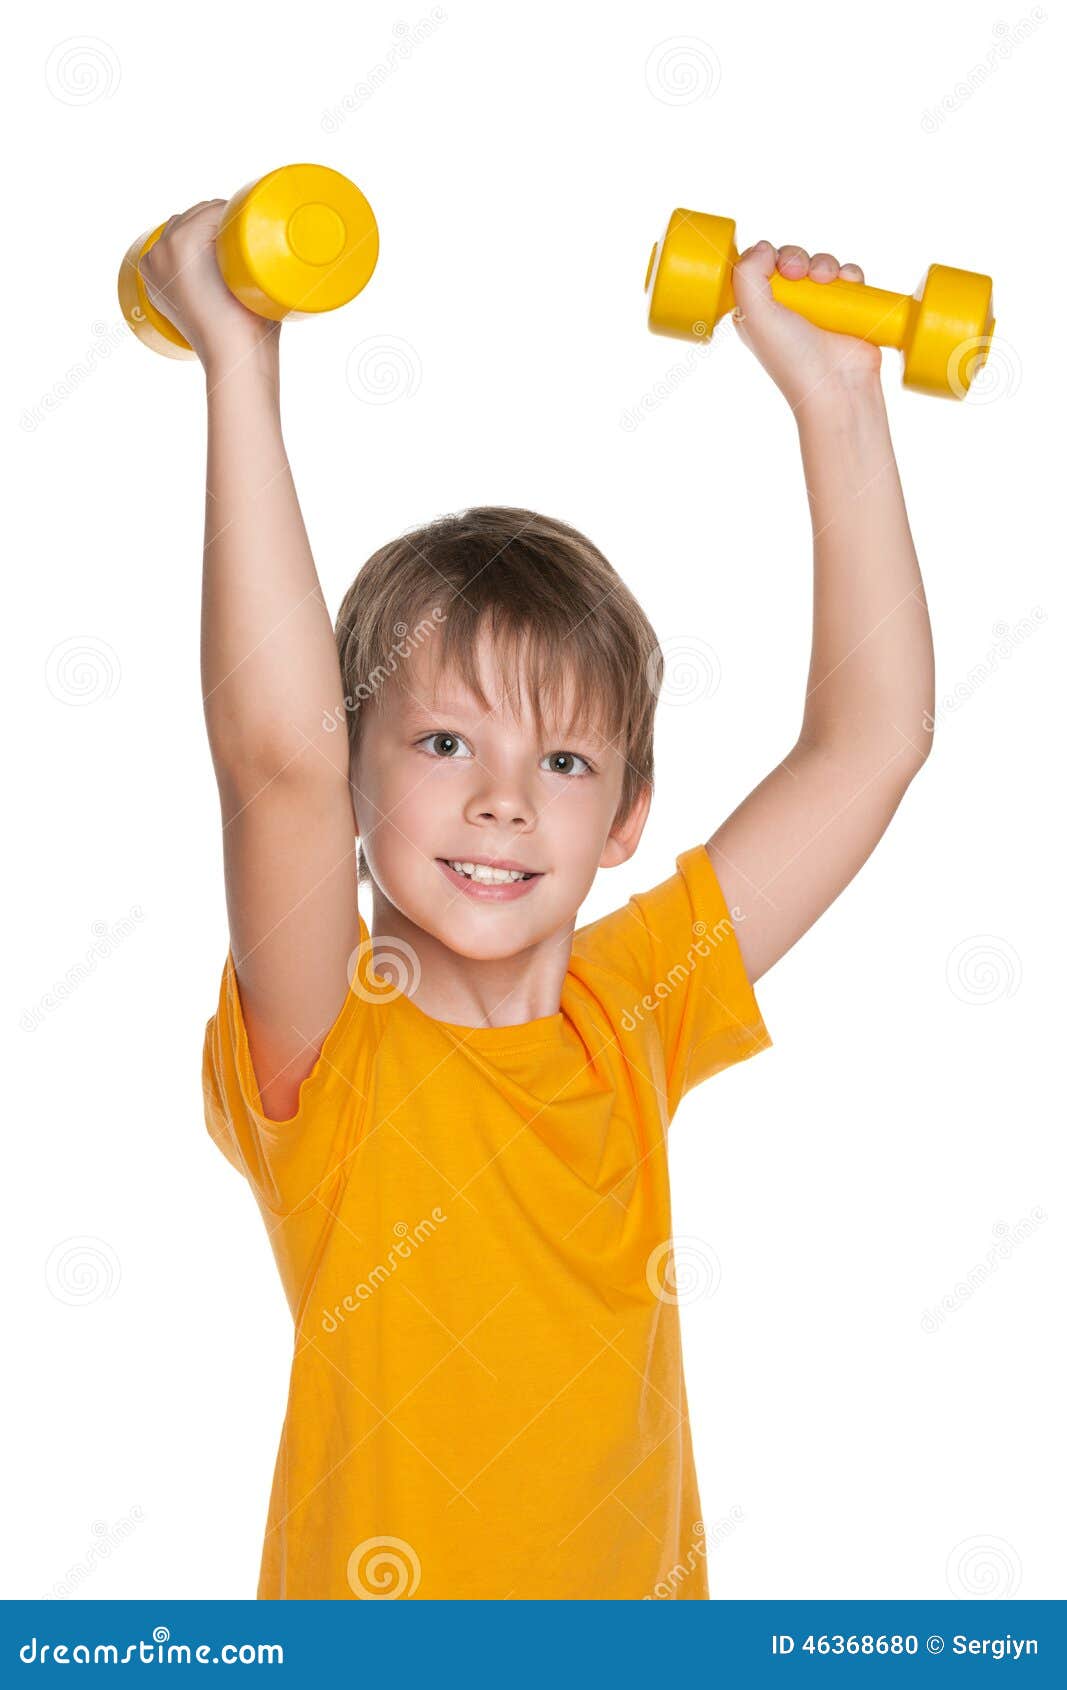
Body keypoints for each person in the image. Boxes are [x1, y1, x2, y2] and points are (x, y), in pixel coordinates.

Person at [140, 207, 932, 1599]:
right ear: (356, 784)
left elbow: (872, 742)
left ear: (625, 816)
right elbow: (273, 761)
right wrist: (239, 364)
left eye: (563, 761)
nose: (505, 797)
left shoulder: (628, 1014)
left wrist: (840, 406)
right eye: (445, 742)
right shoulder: (331, 1051)